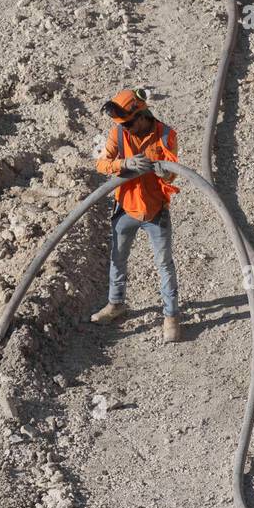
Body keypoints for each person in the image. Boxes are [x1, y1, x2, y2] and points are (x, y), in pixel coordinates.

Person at [91, 87, 182, 344]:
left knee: (164, 264)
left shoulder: (165, 134)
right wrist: (124, 164)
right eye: (124, 125)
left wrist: (165, 172)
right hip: (126, 208)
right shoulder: (118, 134)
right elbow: (101, 164)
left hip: (155, 211)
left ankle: (171, 316)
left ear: (142, 115)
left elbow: (173, 169)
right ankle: (116, 304)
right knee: (117, 259)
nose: (128, 129)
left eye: (130, 123)